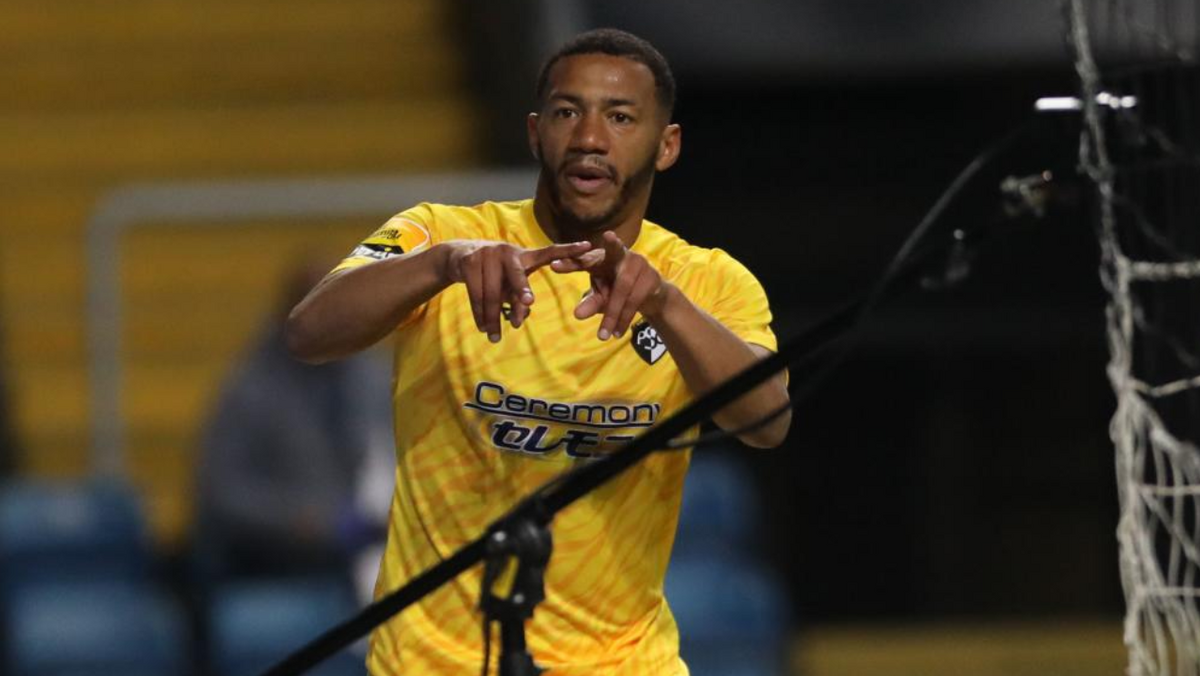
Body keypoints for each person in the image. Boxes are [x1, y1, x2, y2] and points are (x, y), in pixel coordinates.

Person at [286, 28, 791, 676]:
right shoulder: (441, 235)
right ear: (534, 132)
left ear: (667, 146)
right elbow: (308, 333)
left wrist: (667, 306)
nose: (588, 137)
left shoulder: (709, 282)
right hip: (433, 664)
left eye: (620, 116)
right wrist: (440, 266)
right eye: (566, 111)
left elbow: (768, 421)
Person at [195, 259, 394, 583]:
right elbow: (222, 491)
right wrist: (298, 522)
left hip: (379, 551)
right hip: (284, 565)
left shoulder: (373, 379)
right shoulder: (251, 390)